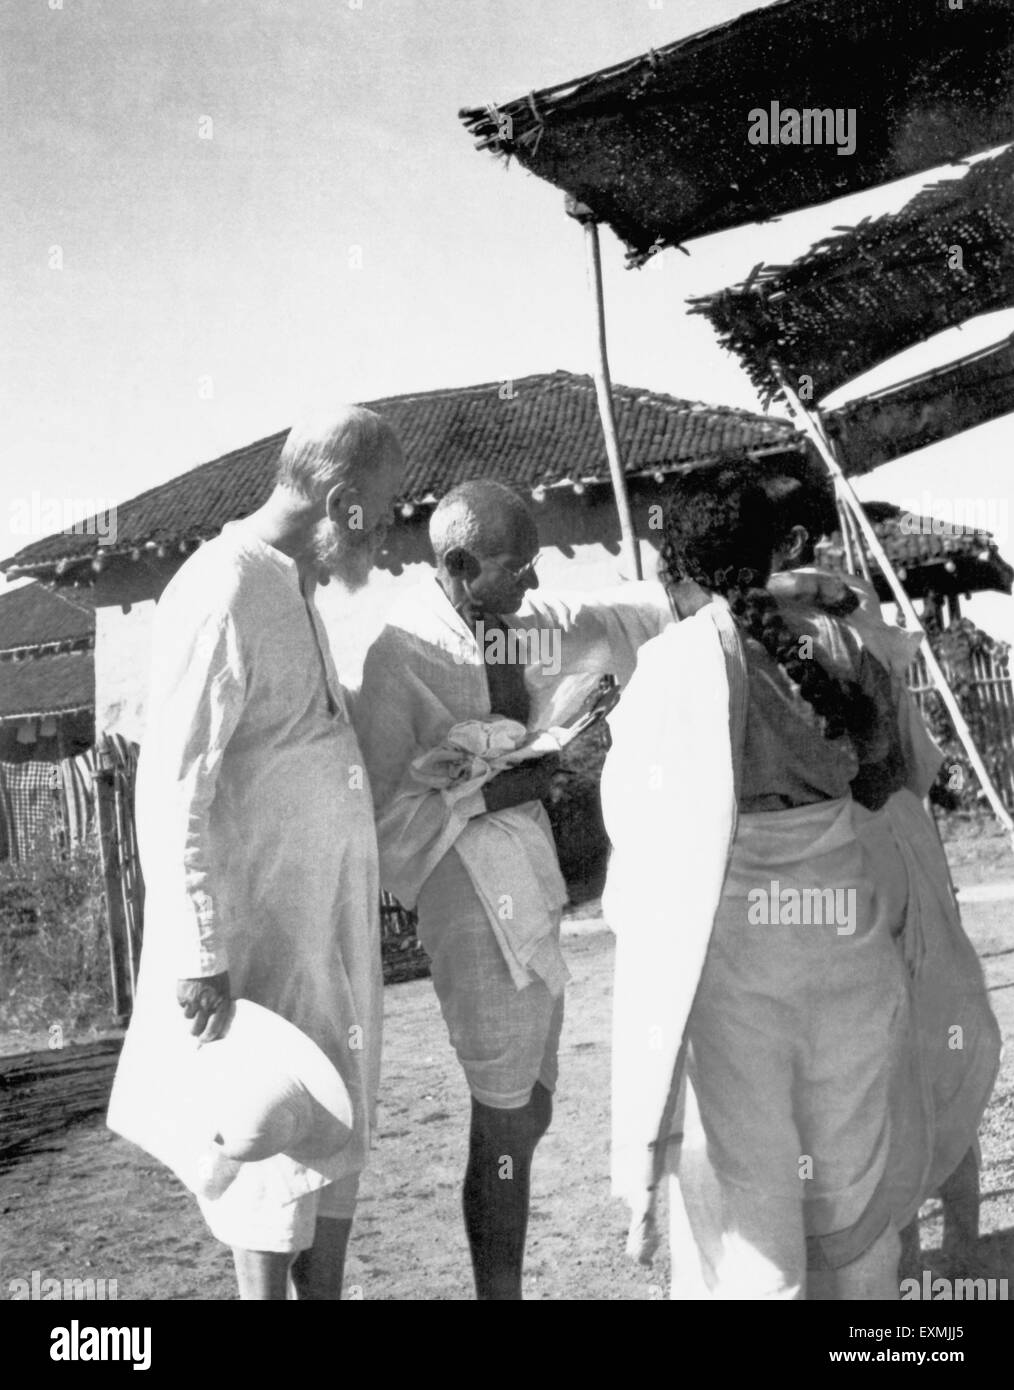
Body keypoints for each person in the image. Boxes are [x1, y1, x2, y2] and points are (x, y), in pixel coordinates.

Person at [107, 403, 404, 1300]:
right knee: (268, 1152)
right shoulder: (220, 586)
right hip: (257, 943)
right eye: (384, 512)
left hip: (324, 933)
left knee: (336, 1127)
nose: (387, 535)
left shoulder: (291, 584)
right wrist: (201, 953)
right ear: (344, 501)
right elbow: (173, 783)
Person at [603, 462, 919, 1300]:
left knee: (751, 1198)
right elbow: (886, 781)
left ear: (683, 572)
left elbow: (636, 828)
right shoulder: (844, 637)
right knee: (851, 1185)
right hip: (845, 931)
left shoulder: (673, 663)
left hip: (737, 948)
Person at [354, 480, 670, 1299]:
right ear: (459, 564)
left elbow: (616, 612)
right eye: (516, 566)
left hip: (526, 875)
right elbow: (385, 814)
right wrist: (520, 782)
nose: (533, 581)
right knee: (500, 1112)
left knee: (530, 1108)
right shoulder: (400, 654)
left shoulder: (516, 624)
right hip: (463, 890)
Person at [761, 469, 1001, 1279]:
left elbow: (881, 757)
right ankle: (940, 1254)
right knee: (919, 1054)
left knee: (903, 1061)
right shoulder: (823, 618)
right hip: (879, 842)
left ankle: (928, 1254)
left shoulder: (806, 621)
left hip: (861, 847)